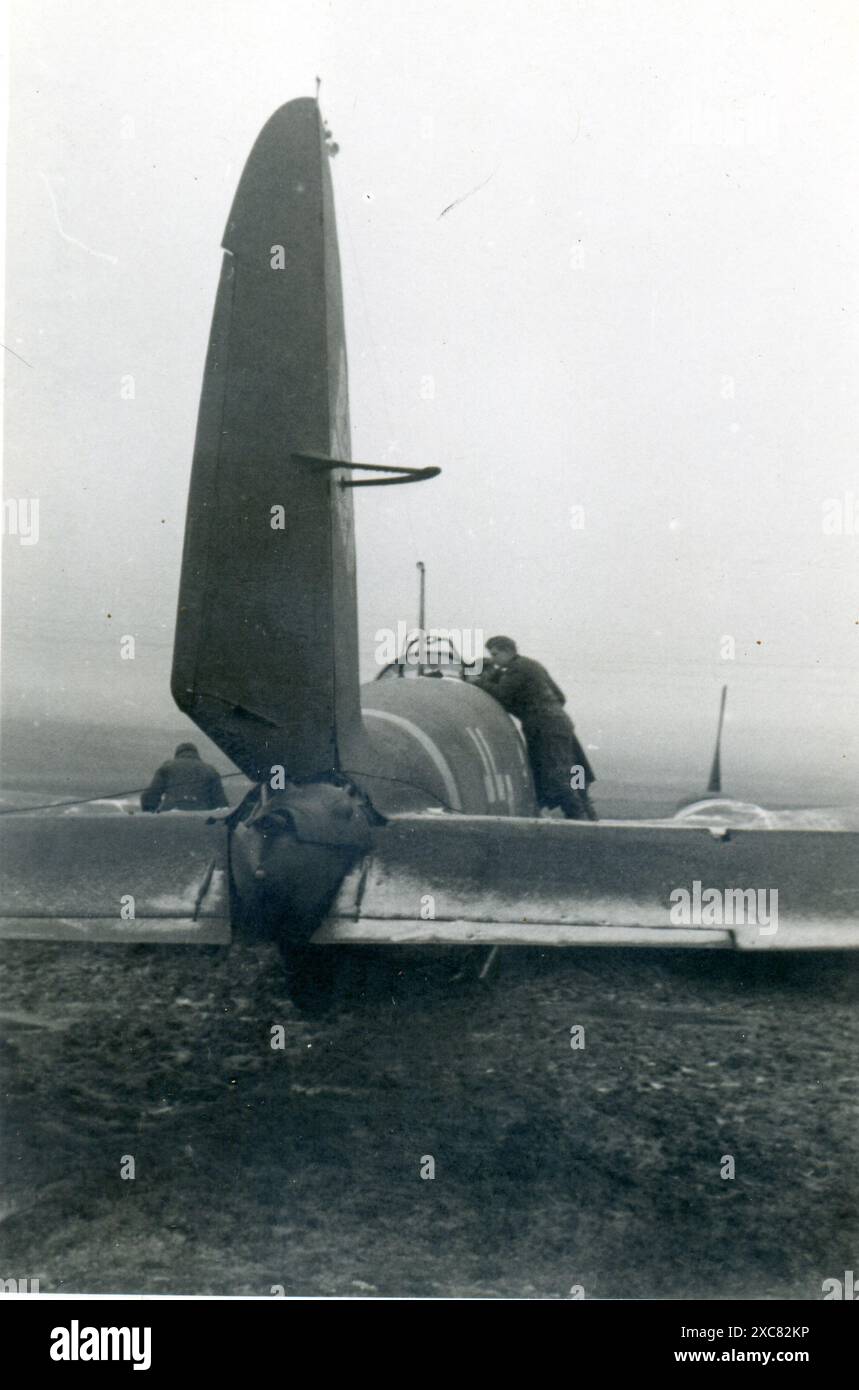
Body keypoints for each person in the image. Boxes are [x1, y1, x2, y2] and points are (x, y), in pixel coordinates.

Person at [472, 636, 598, 820]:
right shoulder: (532, 665)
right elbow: (560, 697)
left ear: (507, 651)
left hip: (543, 727)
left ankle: (577, 816)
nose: (494, 659)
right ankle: (587, 812)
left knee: (556, 772)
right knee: (573, 769)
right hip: (558, 722)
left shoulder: (517, 668)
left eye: (495, 654)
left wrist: (478, 682)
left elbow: (502, 694)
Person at [141, 742, 229, 813]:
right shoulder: (210, 770)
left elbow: (150, 796)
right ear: (197, 754)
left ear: (177, 754)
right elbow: (221, 803)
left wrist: (151, 814)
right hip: (201, 817)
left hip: (172, 815)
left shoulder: (167, 767)